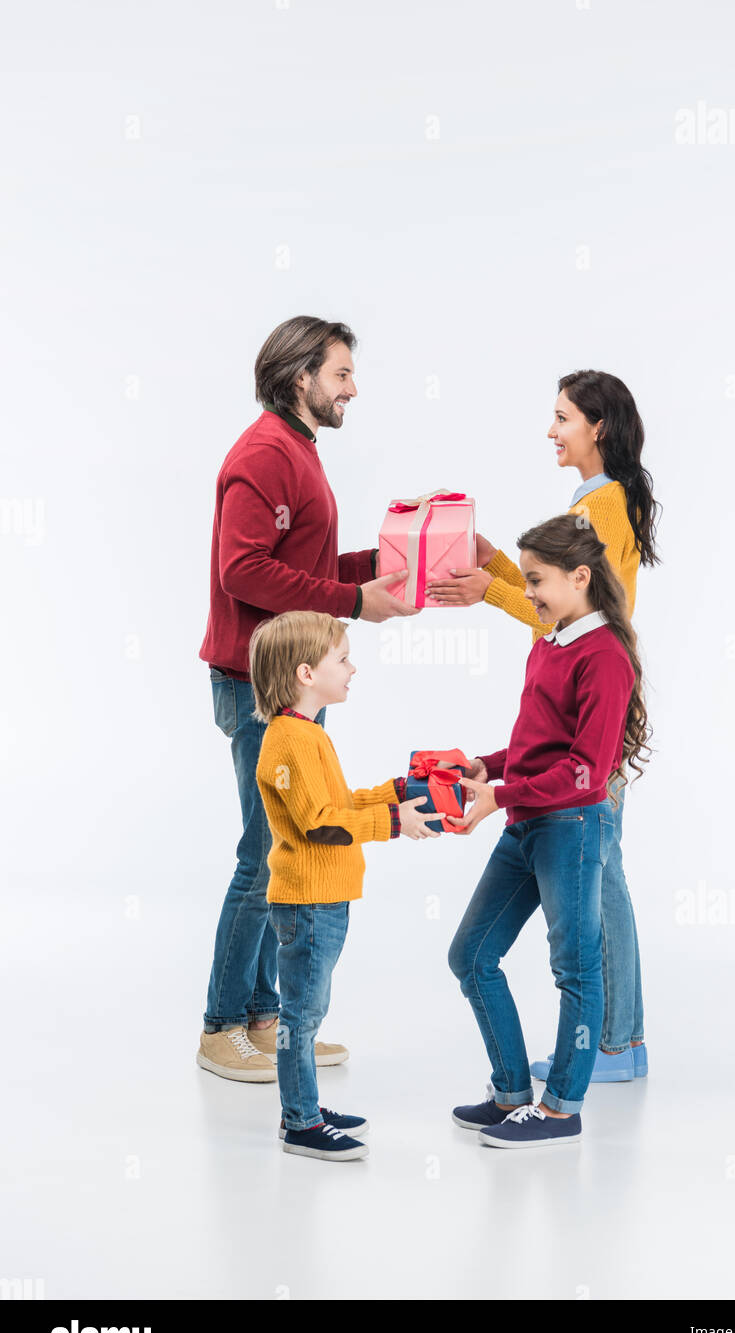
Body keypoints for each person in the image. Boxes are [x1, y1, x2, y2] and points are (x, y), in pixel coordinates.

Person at [197, 316, 416, 1083]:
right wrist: (354, 602)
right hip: (257, 687)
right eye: (341, 374)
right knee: (264, 858)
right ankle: (222, 1026)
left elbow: (306, 564)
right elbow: (244, 572)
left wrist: (387, 562)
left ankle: (264, 1020)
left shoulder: (296, 450)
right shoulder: (262, 454)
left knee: (284, 850)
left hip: (290, 686)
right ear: (301, 379)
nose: (352, 388)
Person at [427, 369, 659, 1082]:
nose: (550, 430)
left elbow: (577, 609)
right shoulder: (594, 500)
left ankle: (614, 1045)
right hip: (570, 715)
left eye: (561, 418)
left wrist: (489, 590)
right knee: (601, 875)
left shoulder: (605, 505)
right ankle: (618, 1043)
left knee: (599, 883)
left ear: (600, 428)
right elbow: (555, 587)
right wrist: (495, 560)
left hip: (587, 720)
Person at [446, 514, 652, 1148]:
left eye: (536, 579)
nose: (528, 592)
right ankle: (511, 1093)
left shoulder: (607, 656)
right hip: (527, 820)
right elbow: (539, 747)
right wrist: (490, 767)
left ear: (579, 576)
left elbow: (586, 773)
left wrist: (499, 795)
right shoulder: (551, 640)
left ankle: (562, 1109)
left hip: (571, 826)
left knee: (575, 970)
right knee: (472, 956)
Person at [249, 611, 442, 1160]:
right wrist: (391, 823)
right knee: (301, 1016)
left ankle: (303, 1104)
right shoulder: (289, 740)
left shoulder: (306, 735)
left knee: (309, 1011)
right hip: (308, 901)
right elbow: (319, 822)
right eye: (343, 659)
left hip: (324, 898)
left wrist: (393, 792)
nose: (353, 668)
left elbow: (335, 803)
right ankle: (301, 1123)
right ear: (306, 673)